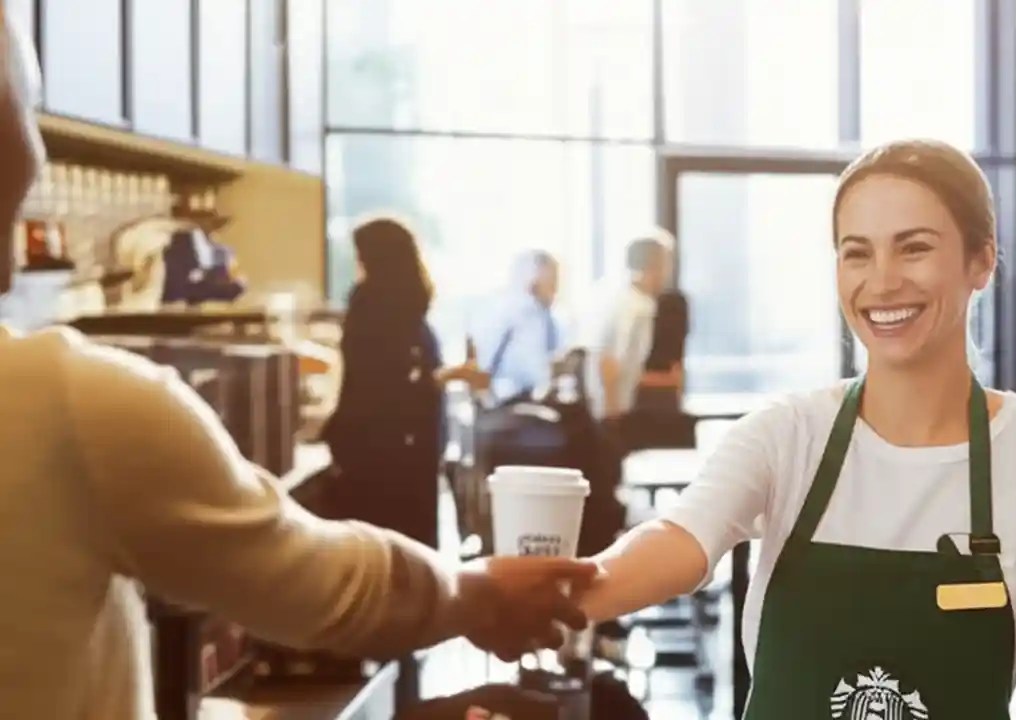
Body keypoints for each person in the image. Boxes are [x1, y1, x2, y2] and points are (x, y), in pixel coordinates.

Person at [0, 17, 595, 720]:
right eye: (29, 106)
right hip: (395, 470)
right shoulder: (68, 402)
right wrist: (480, 595)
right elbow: (315, 580)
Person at [578, 140, 1016, 717]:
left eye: (914, 248)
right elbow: (679, 540)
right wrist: (563, 593)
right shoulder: (787, 434)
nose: (883, 280)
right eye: (857, 253)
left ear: (982, 261)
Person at [323, 217, 488, 548]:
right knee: (410, 548)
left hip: (385, 453)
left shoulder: (373, 304)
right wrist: (453, 374)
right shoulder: (397, 307)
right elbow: (401, 378)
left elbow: (393, 379)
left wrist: (450, 374)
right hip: (400, 452)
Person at [583, 229, 674, 432]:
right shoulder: (633, 306)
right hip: (608, 412)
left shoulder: (620, 298)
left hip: (610, 408)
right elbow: (609, 359)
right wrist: (612, 408)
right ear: (655, 264)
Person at [470, 249, 564, 404]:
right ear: (534, 283)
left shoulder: (544, 317)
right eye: (553, 283)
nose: (555, 291)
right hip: (509, 403)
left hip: (503, 401)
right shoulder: (526, 314)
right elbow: (536, 374)